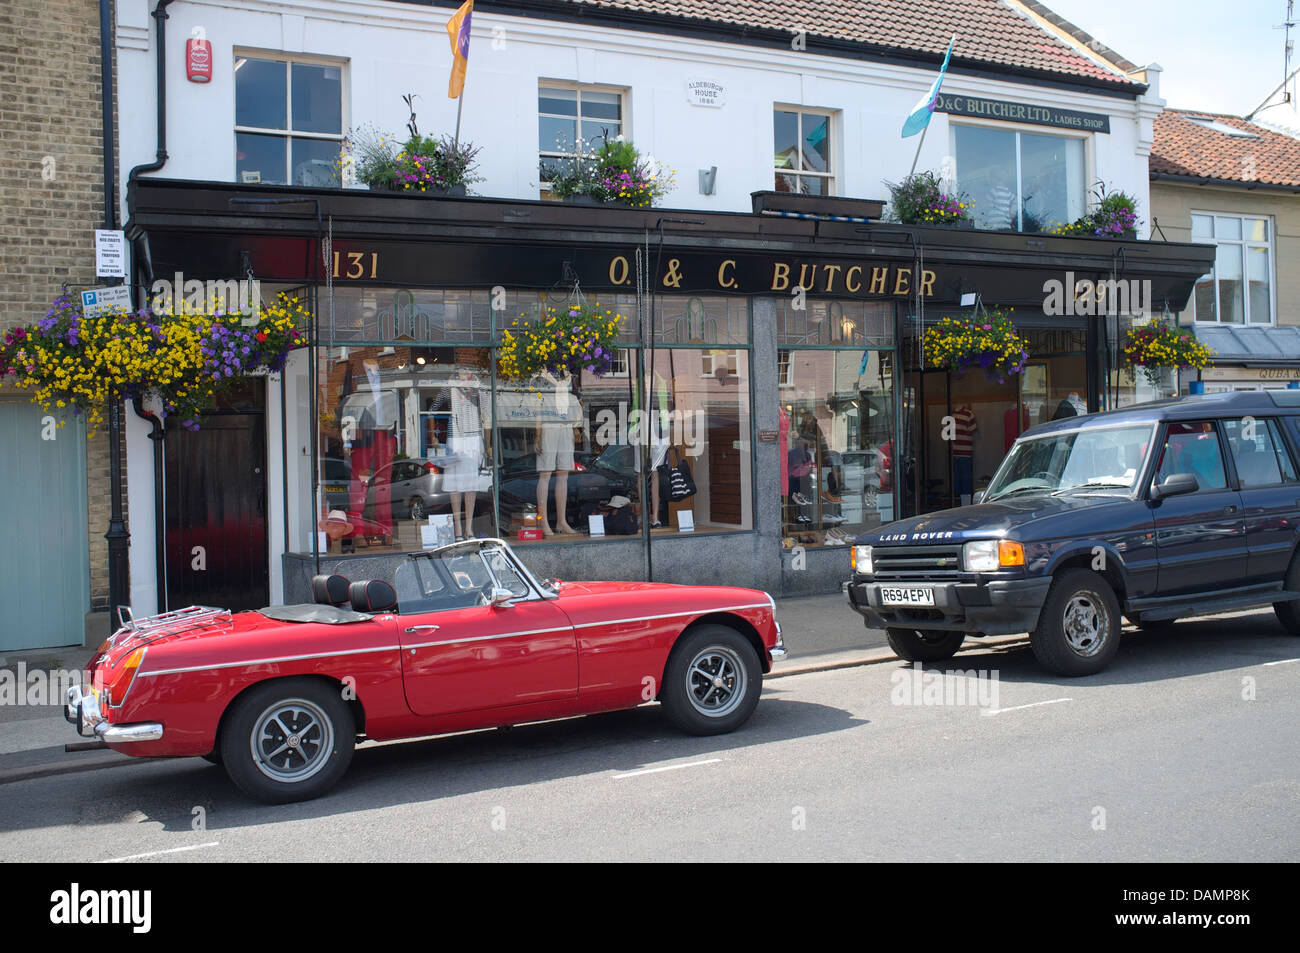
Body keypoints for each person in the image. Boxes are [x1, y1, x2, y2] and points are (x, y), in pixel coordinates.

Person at [433, 363, 489, 541]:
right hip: (455, 438)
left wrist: (488, 444)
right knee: (455, 485)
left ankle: (469, 528)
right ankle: (457, 526)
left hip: (473, 437)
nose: (465, 375)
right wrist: (433, 437)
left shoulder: (477, 386)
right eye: (461, 373)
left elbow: (487, 412)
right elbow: (433, 408)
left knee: (471, 484)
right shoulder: (448, 387)